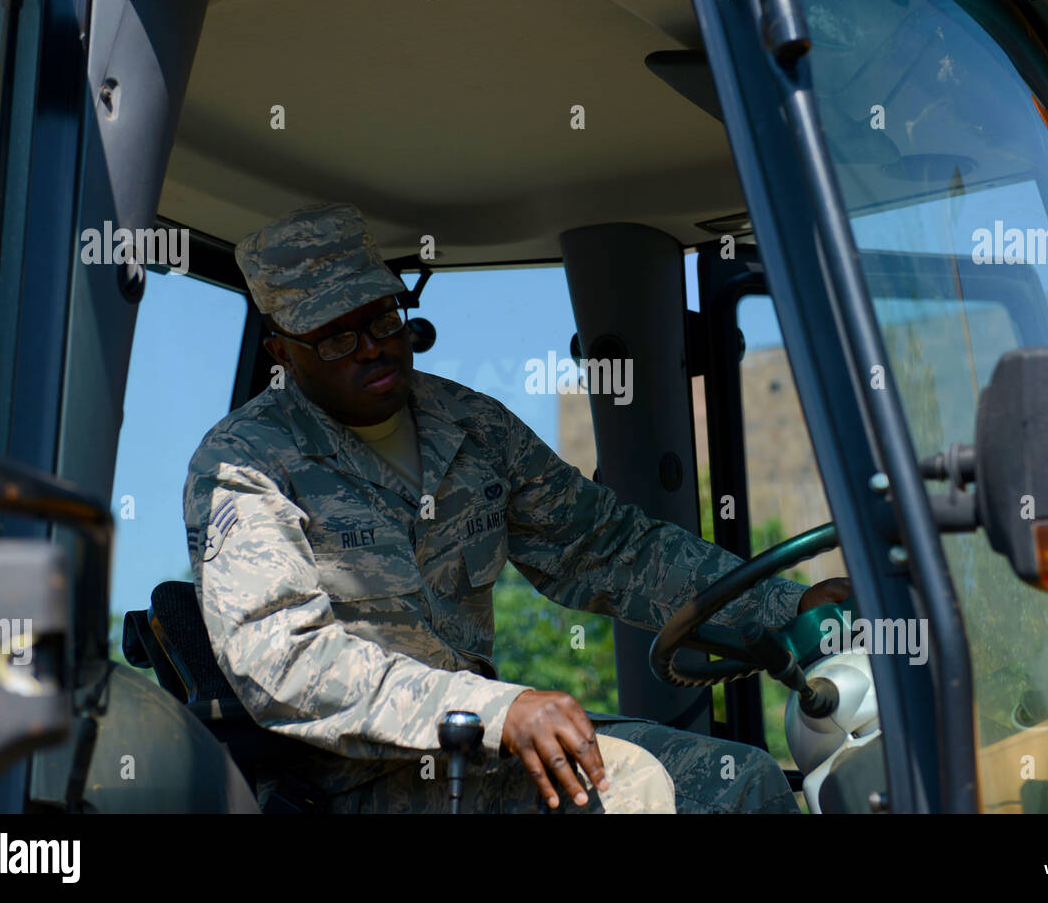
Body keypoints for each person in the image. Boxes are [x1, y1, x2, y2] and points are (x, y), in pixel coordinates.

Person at [183, 202, 850, 813]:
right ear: (282, 352)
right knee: (629, 790)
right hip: (341, 784)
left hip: (473, 756)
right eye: (335, 337)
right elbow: (288, 662)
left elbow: (610, 548)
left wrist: (785, 609)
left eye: (382, 317)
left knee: (743, 782)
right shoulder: (244, 465)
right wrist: (498, 711)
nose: (373, 347)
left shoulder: (470, 424)